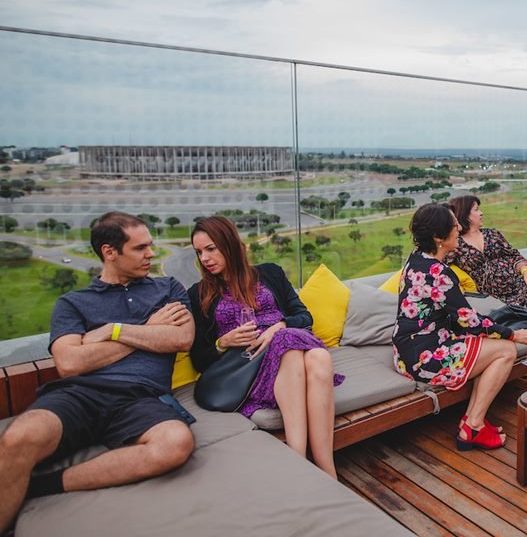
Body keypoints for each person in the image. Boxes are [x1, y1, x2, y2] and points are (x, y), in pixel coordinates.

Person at [0, 212, 195, 532]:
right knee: (20, 436)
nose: (151, 254)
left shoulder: (168, 288)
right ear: (109, 252)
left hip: (141, 397)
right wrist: (146, 330)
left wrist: (112, 330)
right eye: (140, 248)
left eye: (151, 246)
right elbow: (71, 364)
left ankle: (42, 485)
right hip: (80, 393)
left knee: (175, 443)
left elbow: (180, 338)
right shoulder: (73, 303)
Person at [188, 216, 342, 478]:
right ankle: (314, 469)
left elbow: (305, 317)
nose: (204, 258)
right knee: (301, 350)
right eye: (199, 252)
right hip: (248, 368)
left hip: (292, 357)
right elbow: (199, 359)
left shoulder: (270, 272)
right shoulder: (198, 293)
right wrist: (222, 342)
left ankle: (321, 468)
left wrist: (279, 326)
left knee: (315, 355)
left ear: (230, 244)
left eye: (211, 248)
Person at [393, 203, 527, 450]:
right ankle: (473, 426)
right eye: (454, 225)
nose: (459, 228)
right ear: (438, 237)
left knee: (495, 348)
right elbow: (469, 321)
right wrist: (514, 334)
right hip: (425, 357)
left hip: (407, 351)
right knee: (506, 350)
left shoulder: (416, 259)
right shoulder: (438, 272)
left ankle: (472, 422)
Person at [445, 195, 527, 326]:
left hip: (518, 284)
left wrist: (526, 271)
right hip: (494, 296)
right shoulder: (456, 243)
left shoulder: (492, 234)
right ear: (465, 214)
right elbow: (440, 264)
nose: (481, 213)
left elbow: (514, 255)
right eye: (476, 210)